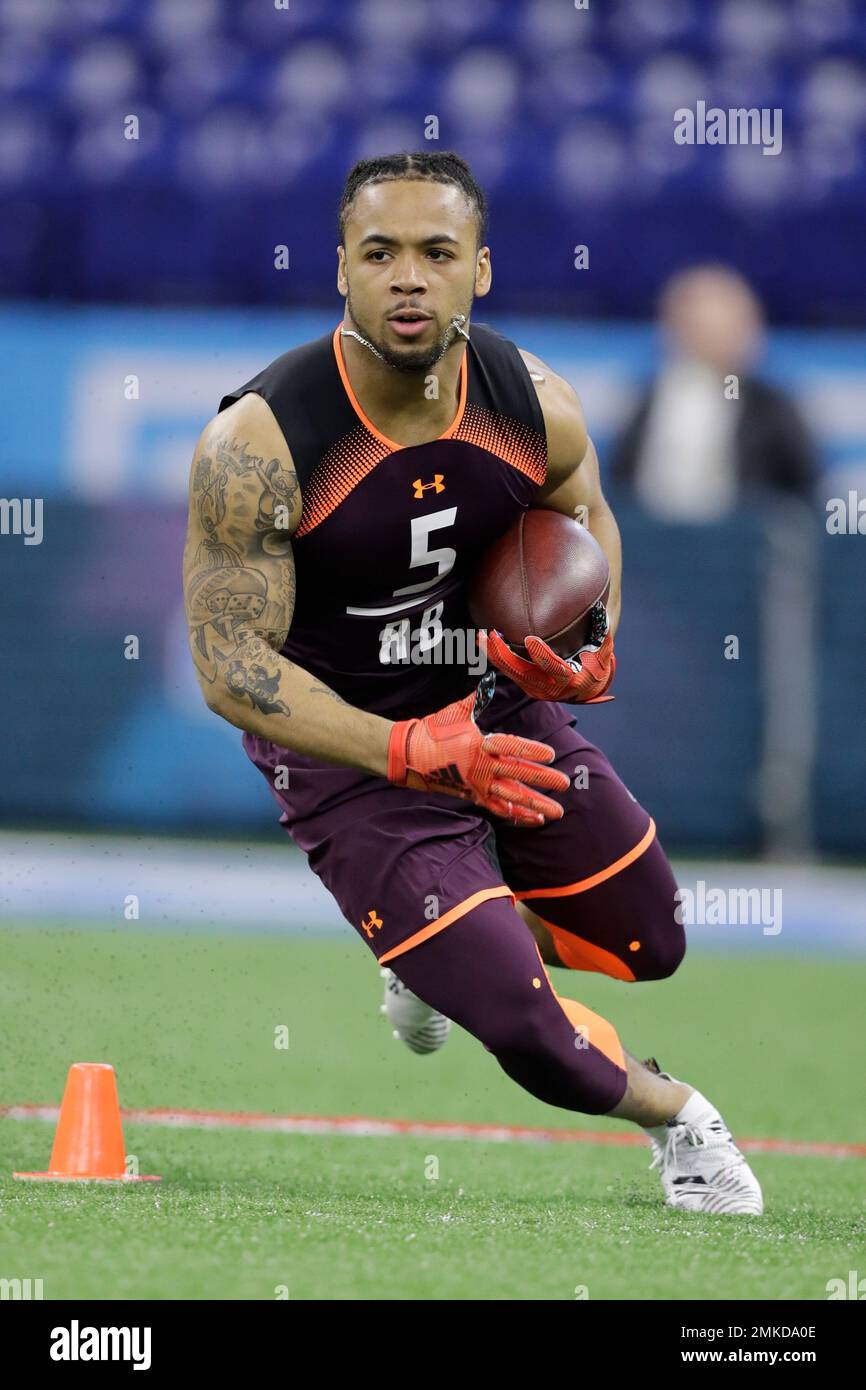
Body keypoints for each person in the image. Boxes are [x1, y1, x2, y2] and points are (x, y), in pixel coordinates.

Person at [182, 151, 763, 1214]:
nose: (408, 277)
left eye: (435, 252)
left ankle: (433, 952)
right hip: (352, 757)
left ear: (479, 269)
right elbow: (228, 664)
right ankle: (679, 1118)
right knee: (530, 1030)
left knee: (652, 937)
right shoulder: (259, 440)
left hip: (496, 710)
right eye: (381, 252)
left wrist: (590, 638)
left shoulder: (530, 398)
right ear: (342, 271)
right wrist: (403, 752)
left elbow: (584, 513)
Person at [611, 265, 816, 522]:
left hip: (741, 543)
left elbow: (803, 488)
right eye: (699, 326)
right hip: (653, 541)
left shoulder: (771, 407)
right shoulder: (647, 398)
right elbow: (619, 479)